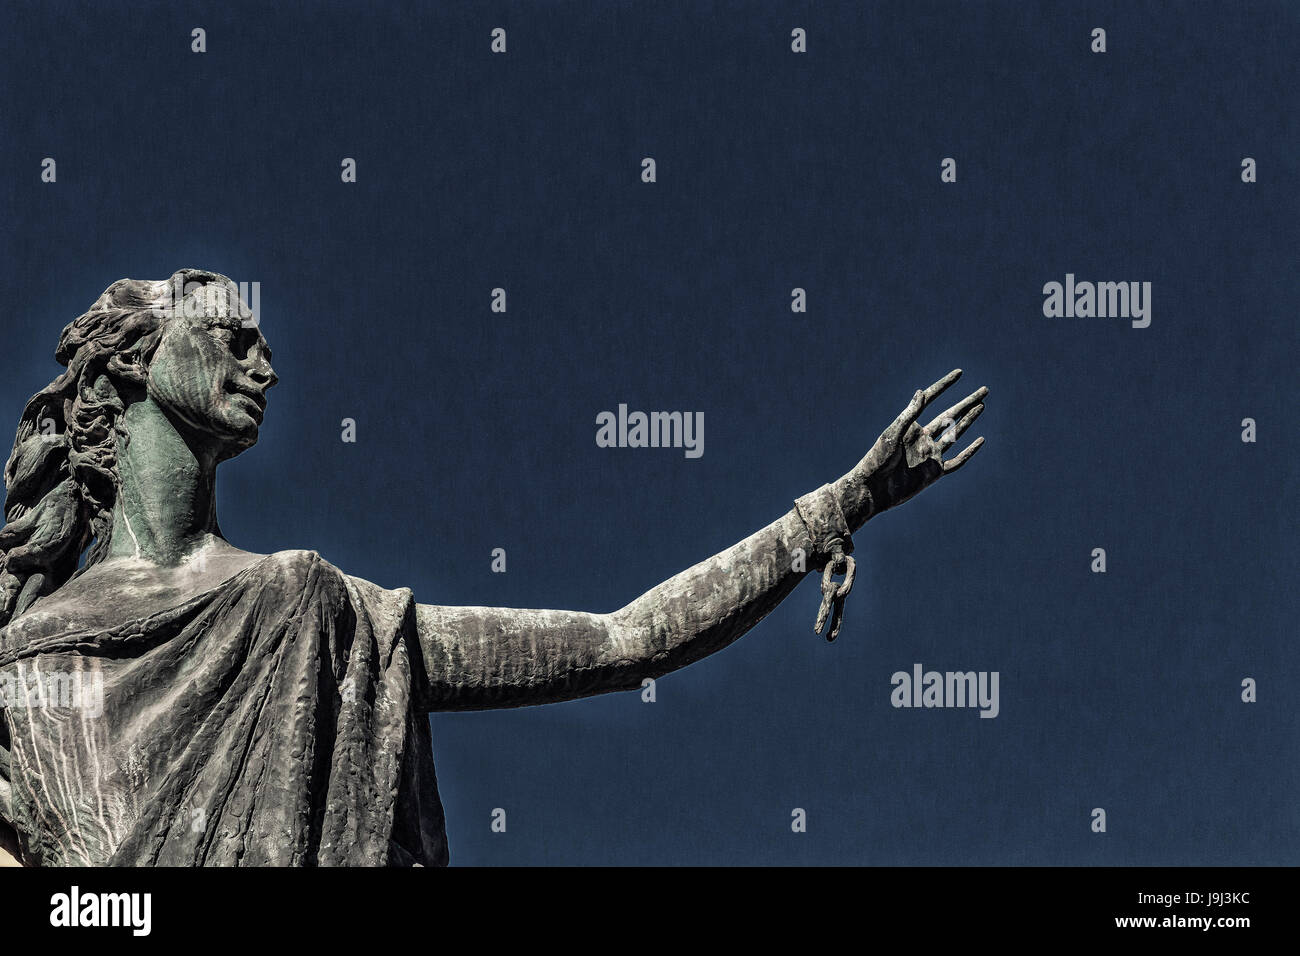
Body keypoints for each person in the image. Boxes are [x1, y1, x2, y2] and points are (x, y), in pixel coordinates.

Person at [0, 270, 986, 866]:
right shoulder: (18, 670)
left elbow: (620, 640)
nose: (265, 361)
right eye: (231, 333)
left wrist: (837, 506)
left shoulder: (328, 615)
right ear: (131, 361)